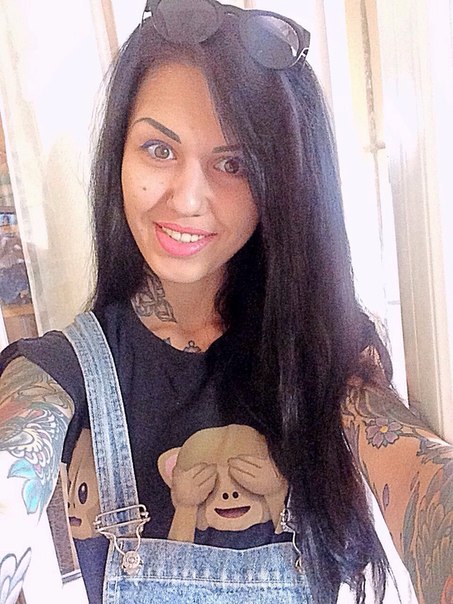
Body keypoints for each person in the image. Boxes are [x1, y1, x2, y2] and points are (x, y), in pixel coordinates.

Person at [0, 1, 451, 603]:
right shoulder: (59, 372)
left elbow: (420, 471)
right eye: (160, 150)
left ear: (281, 185)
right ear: (119, 156)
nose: (187, 199)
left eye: (234, 163)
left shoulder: (328, 354)